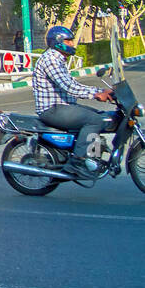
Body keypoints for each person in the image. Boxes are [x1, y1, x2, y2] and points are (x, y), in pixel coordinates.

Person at [32, 25, 113, 176]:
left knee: (102, 117)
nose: (71, 44)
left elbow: (73, 84)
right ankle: (78, 162)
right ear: (58, 42)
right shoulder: (51, 60)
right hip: (53, 109)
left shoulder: (59, 59)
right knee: (94, 120)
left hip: (63, 107)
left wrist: (101, 91)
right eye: (68, 41)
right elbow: (69, 87)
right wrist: (95, 94)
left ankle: (92, 157)